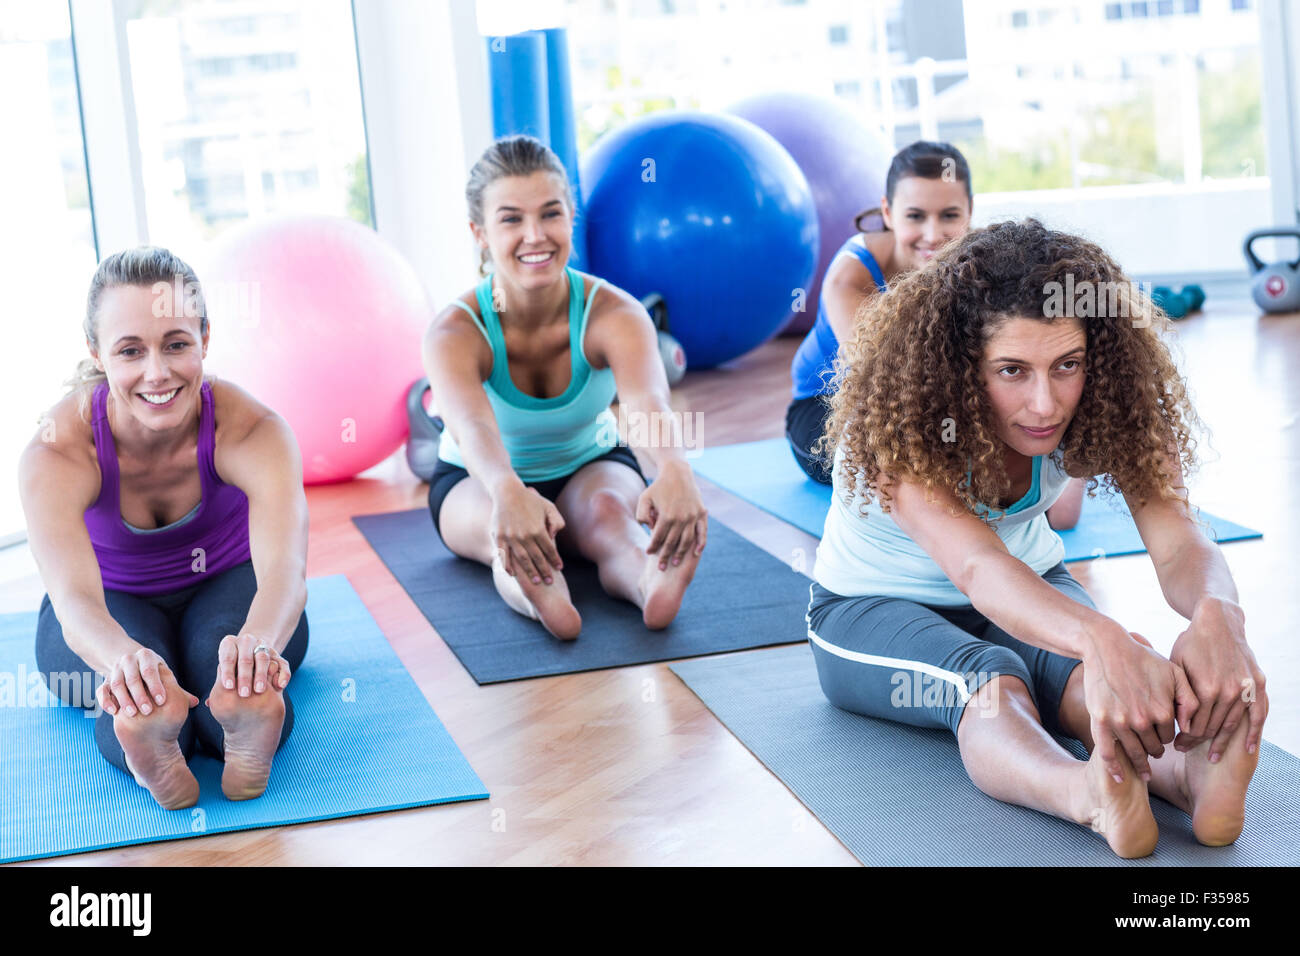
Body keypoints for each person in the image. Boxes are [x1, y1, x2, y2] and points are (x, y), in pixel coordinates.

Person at [806, 219, 1266, 858]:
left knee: (1087, 674)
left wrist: (1221, 613)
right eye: (1012, 370)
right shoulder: (903, 427)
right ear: (962, 367)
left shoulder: (1112, 400)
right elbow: (977, 569)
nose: (1045, 404)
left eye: (1067, 365)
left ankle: (1187, 777)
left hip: (1030, 585)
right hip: (868, 607)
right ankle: (1085, 793)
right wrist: (1100, 635)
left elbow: (1179, 541)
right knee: (988, 678)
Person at [20, 248, 309, 809]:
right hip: (108, 601)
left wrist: (257, 648)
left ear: (205, 336)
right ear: (97, 353)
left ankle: (245, 733)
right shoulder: (57, 449)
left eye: (176, 343)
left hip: (229, 583)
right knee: (139, 696)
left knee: (229, 672)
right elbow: (74, 599)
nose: (158, 372)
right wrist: (123, 663)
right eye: (131, 351)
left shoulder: (253, 428)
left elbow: (285, 571)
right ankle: (152, 744)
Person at [422, 135, 707, 640]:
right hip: (476, 478)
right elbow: (471, 427)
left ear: (571, 216)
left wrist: (673, 468)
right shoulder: (455, 331)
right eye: (511, 219)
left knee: (608, 519)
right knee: (502, 535)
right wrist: (509, 492)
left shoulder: (615, 313)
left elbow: (647, 404)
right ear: (480, 232)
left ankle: (649, 581)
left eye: (550, 214)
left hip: (589, 464)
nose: (535, 235)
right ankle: (539, 589)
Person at [786, 141, 1084, 526]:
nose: (933, 234)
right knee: (916, 464)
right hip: (833, 406)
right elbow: (877, 382)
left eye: (948, 215)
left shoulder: (981, 258)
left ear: (970, 213)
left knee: (1056, 510)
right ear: (888, 213)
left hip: (937, 398)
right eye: (915, 216)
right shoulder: (851, 276)